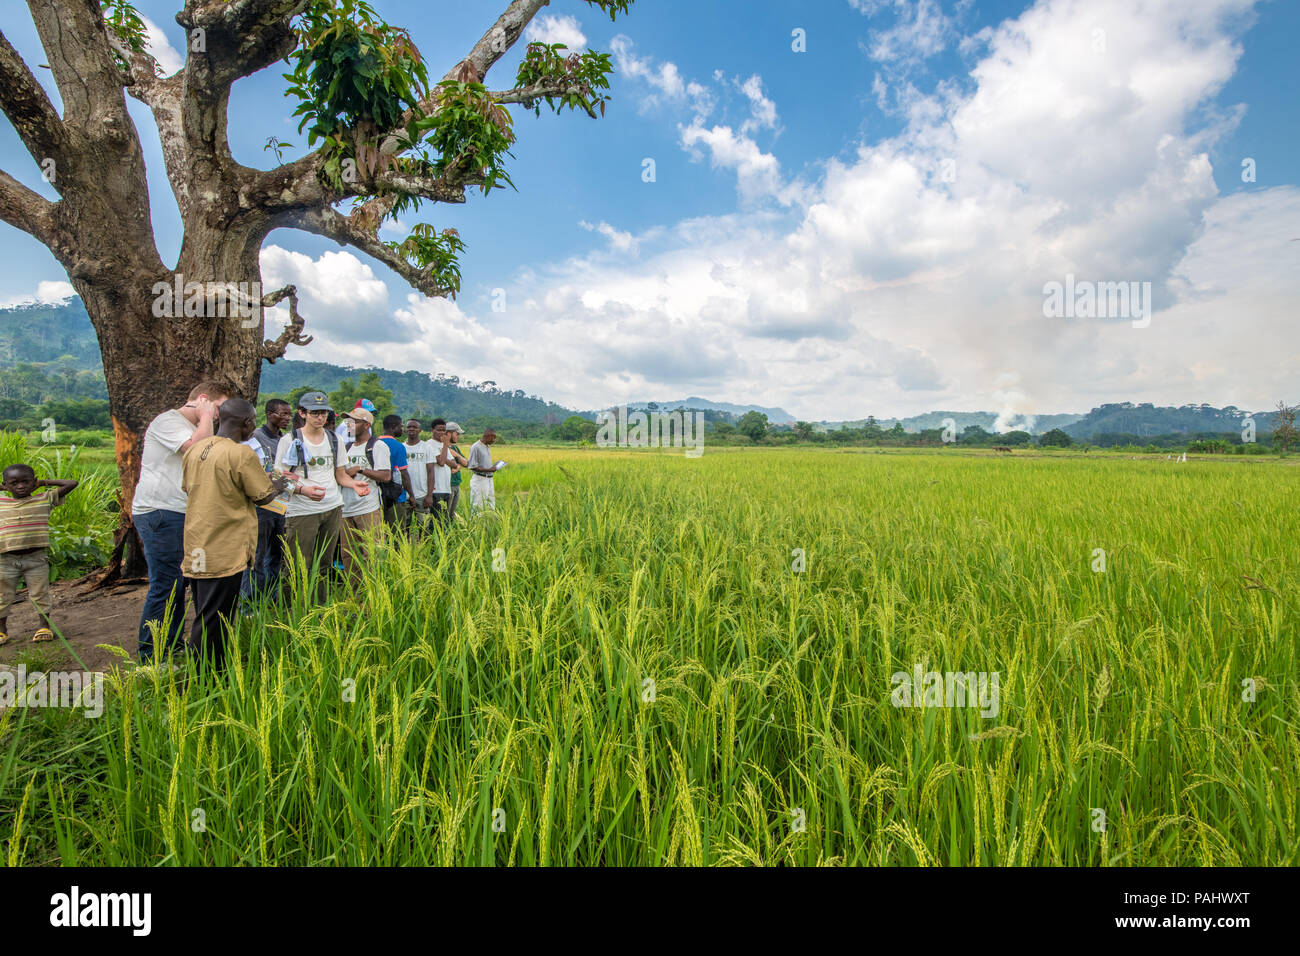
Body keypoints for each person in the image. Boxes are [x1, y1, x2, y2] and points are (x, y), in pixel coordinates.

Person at [181, 399, 288, 673]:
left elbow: (188, 487)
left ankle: (204, 670)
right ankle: (210, 677)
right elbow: (263, 496)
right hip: (225, 545)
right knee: (218, 617)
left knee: (204, 611)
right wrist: (278, 483)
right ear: (248, 423)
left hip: (197, 543)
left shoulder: (195, 449)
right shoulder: (241, 454)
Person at [132, 381, 229, 662]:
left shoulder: (196, 427)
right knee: (166, 585)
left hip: (182, 513)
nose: (220, 415)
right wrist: (207, 416)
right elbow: (197, 452)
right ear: (203, 399)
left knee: (181, 582)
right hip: (161, 512)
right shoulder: (167, 421)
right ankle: (150, 654)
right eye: (219, 407)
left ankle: (172, 644)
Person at [274, 391, 369, 602]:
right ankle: (292, 610)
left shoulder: (334, 439)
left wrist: (354, 484)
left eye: (324, 413)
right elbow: (279, 478)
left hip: (332, 508)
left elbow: (340, 475)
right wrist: (302, 490)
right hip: (302, 511)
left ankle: (319, 607)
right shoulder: (290, 440)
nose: (320, 418)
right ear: (302, 413)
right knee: (297, 565)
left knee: (324, 564)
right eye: (315, 413)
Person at [0, 465, 78, 646]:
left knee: (40, 594)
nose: (20, 486)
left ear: (33, 482)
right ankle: (2, 631)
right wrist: (4, 487)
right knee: (3, 596)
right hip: (6, 560)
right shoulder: (2, 501)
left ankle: (44, 627)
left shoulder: (44, 499)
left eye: (25, 482)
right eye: (14, 483)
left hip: (36, 558)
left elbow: (72, 483)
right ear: (6, 485)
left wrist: (43, 483)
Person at [240, 398, 292, 604]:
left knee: (277, 555)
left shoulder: (285, 440)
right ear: (270, 414)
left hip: (281, 504)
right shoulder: (255, 439)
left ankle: (271, 597)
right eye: (283, 414)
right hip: (261, 506)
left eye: (289, 414)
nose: (287, 418)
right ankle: (249, 602)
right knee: (256, 556)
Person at [340, 408, 389, 575]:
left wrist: (360, 469)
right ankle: (356, 597)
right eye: (348, 421)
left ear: (367, 424)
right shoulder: (345, 447)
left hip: (368, 508)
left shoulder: (377, 446)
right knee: (349, 556)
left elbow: (385, 475)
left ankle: (374, 593)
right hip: (345, 509)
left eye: (354, 421)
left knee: (372, 553)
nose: (349, 425)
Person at [378, 415, 413, 531]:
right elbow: (404, 474)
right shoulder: (398, 446)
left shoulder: (374, 443)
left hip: (378, 496)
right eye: (401, 426)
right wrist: (411, 495)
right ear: (393, 427)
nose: (402, 429)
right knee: (396, 532)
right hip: (396, 496)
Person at [402, 418, 434, 532]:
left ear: (420, 430)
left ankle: (423, 549)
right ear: (405, 430)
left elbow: (431, 472)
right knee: (404, 528)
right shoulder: (401, 447)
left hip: (422, 495)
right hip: (404, 495)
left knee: (424, 529)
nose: (411, 429)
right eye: (409, 427)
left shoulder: (427, 447)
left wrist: (429, 495)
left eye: (414, 427)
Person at [467, 428, 500, 512]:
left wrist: (492, 468)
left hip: (489, 479)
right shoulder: (476, 447)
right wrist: (489, 470)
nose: (494, 440)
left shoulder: (487, 446)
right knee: (478, 505)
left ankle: (488, 524)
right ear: (488, 436)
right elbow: (472, 466)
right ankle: (476, 524)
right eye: (493, 438)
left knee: (490, 503)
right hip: (480, 479)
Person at [429, 419, 453, 524]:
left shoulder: (443, 446)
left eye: (444, 430)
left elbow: (454, 464)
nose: (442, 433)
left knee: (444, 520)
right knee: (436, 520)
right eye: (439, 430)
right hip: (436, 488)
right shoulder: (429, 445)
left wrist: (441, 456)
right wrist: (445, 445)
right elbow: (442, 463)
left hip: (446, 487)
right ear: (432, 430)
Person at [445, 422, 468, 520]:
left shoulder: (454, 448)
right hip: (447, 486)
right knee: (445, 515)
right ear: (448, 433)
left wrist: (457, 457)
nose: (458, 436)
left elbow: (466, 463)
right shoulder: (442, 448)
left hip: (456, 484)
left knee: (451, 514)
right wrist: (459, 464)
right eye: (457, 434)